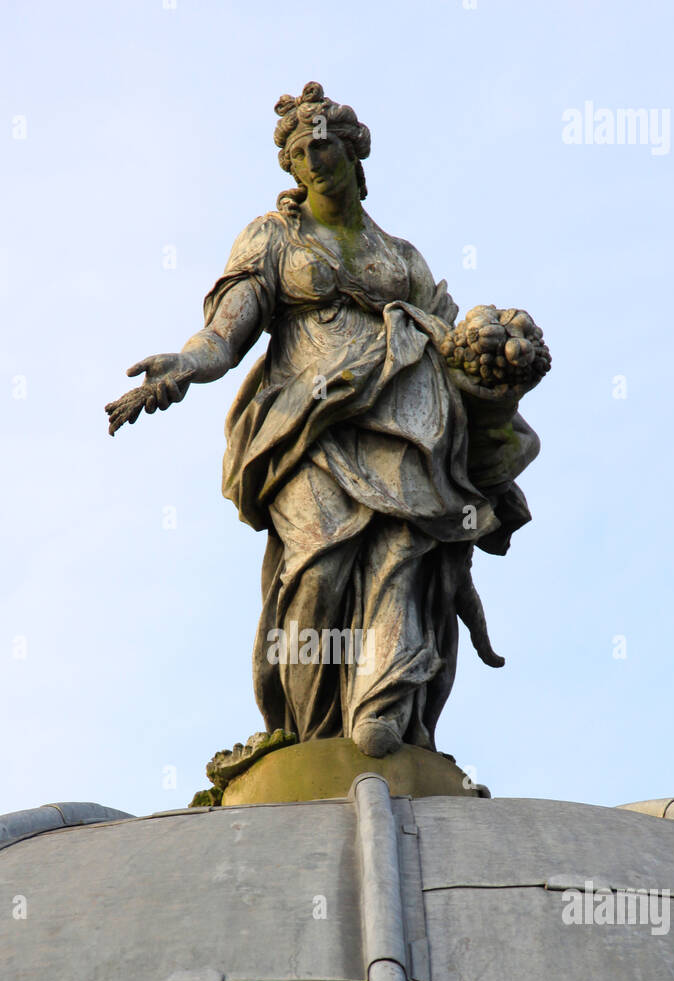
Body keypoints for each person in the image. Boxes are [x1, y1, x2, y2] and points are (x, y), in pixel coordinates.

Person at [106, 82, 542, 758]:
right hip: (307, 422)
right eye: (300, 149)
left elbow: (452, 349)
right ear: (290, 166)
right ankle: (312, 738)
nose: (313, 155)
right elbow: (227, 331)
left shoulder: (401, 256)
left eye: (324, 142)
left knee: (406, 551)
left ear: (352, 150)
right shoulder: (273, 238)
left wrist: (494, 383)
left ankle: (383, 703)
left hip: (408, 417)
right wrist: (185, 367)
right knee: (317, 571)